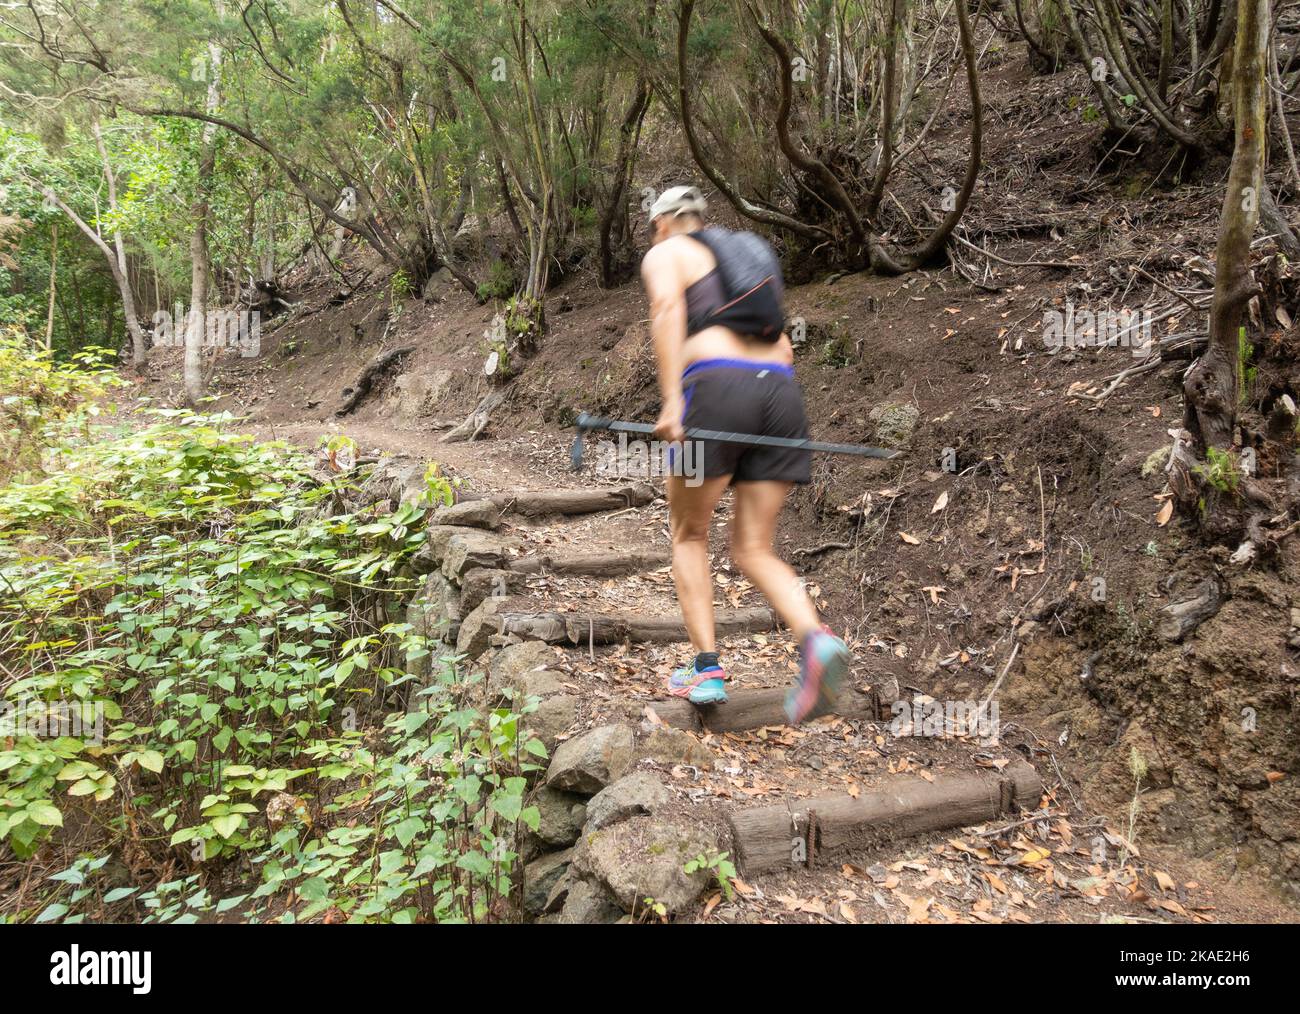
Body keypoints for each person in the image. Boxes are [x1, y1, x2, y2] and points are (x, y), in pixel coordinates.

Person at [640, 184, 850, 725]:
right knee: (754, 547)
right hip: (779, 393)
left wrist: (671, 401)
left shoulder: (666, 252)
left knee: (688, 533)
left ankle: (706, 668)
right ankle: (817, 639)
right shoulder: (748, 255)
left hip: (713, 392)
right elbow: (784, 344)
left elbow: (666, 308)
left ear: (663, 222)